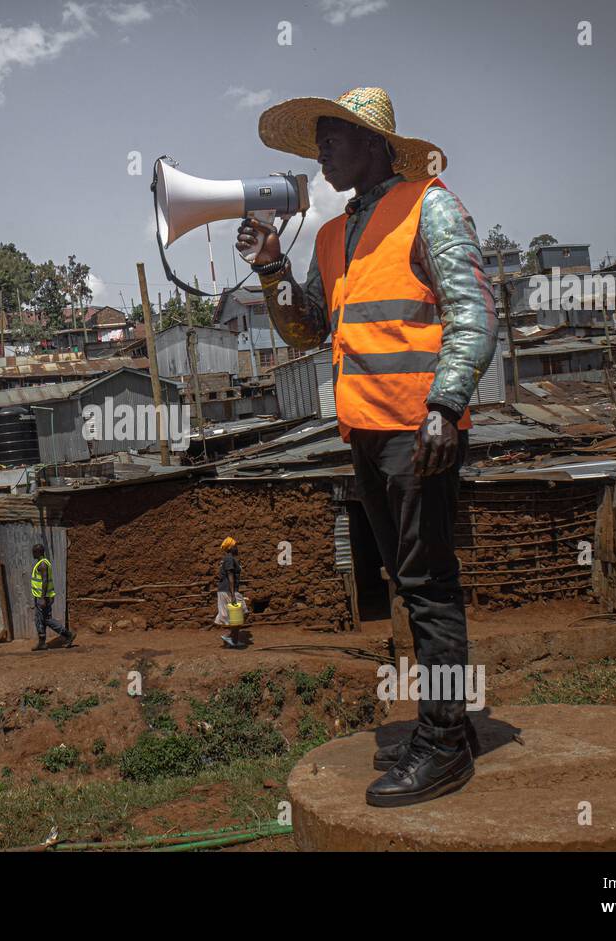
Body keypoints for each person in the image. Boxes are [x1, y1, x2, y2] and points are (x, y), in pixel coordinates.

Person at [241, 87, 495, 808]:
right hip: (367, 437)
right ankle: (449, 725)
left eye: (335, 139)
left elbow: (474, 312)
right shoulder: (330, 235)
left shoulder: (430, 205)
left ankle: (444, 745)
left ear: (378, 145)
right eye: (318, 140)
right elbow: (306, 329)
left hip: (422, 434)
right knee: (407, 585)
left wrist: (446, 404)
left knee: (428, 587)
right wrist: (270, 270)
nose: (321, 152)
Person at [30, 543, 75, 651]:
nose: (32, 553)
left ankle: (68, 634)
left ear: (38, 552)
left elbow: (45, 581)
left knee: (46, 619)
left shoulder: (43, 565)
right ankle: (42, 643)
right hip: (43, 596)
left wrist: (42, 597)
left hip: (44, 597)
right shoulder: (42, 563)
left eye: (34, 552)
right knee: (40, 619)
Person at [214, 537, 244, 648]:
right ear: (231, 547)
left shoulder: (229, 558)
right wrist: (232, 595)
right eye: (236, 546)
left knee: (236, 615)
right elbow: (230, 576)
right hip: (228, 590)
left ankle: (233, 641)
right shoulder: (229, 559)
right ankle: (230, 636)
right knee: (239, 614)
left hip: (227, 590)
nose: (237, 548)